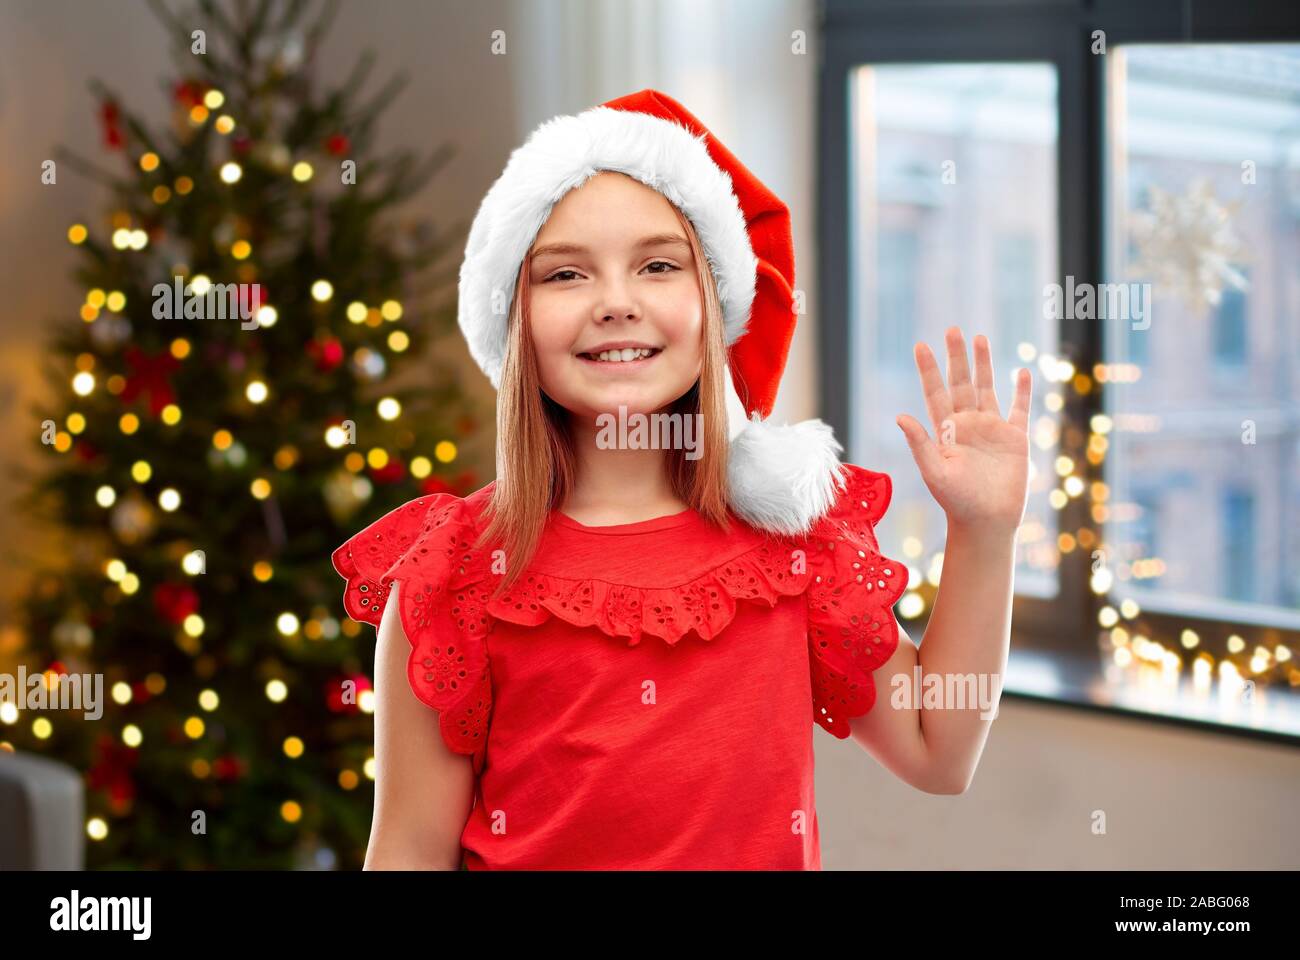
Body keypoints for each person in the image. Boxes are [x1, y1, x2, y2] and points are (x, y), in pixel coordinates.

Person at [332, 90, 1032, 870]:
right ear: (515, 319)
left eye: (658, 265)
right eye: (566, 274)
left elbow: (940, 750)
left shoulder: (795, 544)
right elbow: (407, 851)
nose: (616, 303)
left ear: (714, 303)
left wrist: (985, 532)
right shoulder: (454, 572)